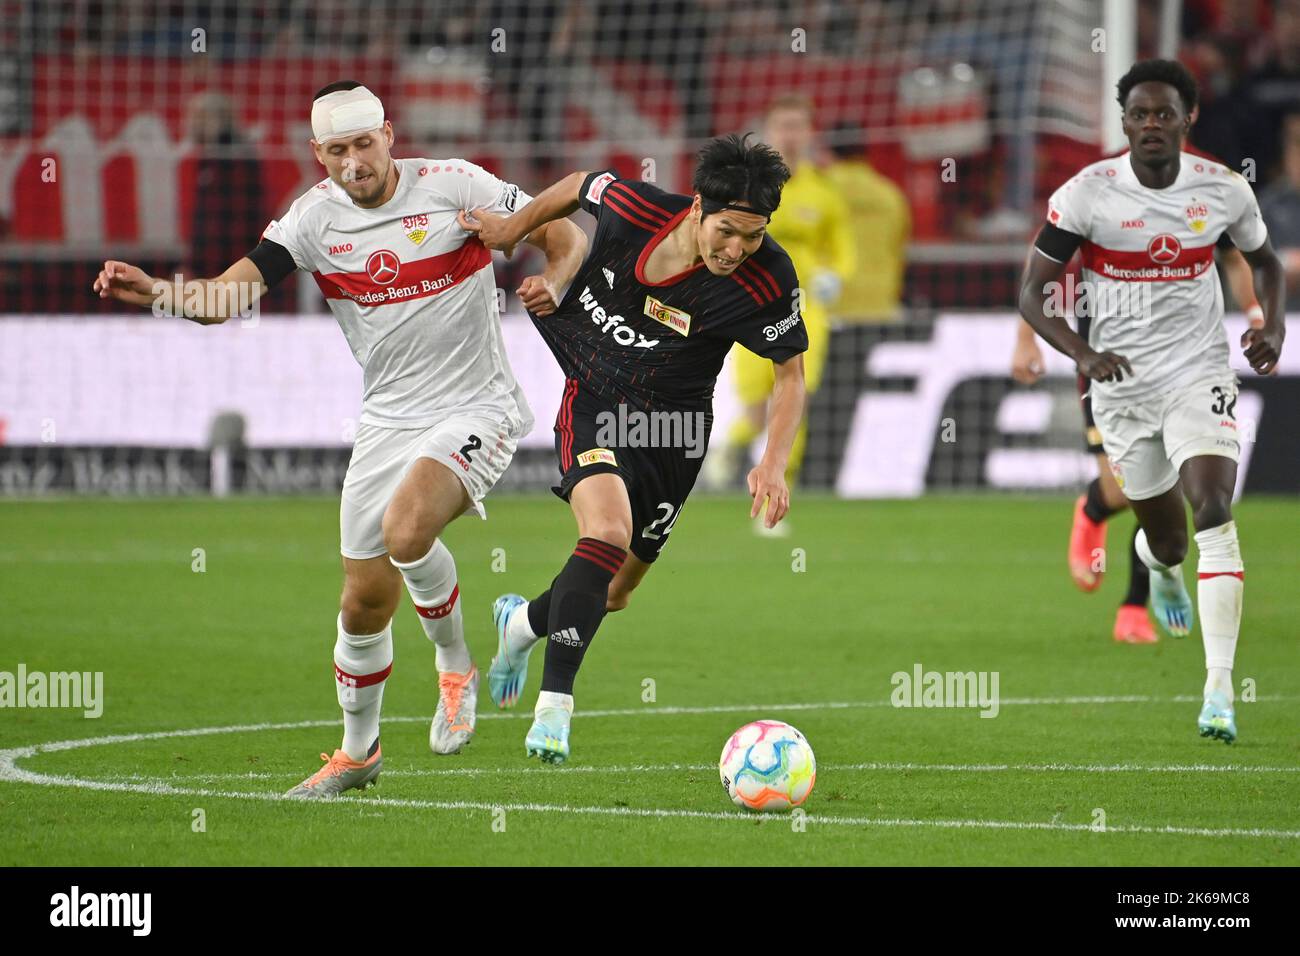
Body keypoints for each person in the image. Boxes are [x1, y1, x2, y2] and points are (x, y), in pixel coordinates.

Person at [93, 82, 587, 795]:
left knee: (407, 527)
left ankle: (455, 665)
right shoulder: (310, 221)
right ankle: (359, 754)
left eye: (364, 143)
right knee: (362, 601)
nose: (353, 161)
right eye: (337, 150)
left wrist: (556, 275)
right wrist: (159, 292)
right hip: (385, 418)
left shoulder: (453, 185)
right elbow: (227, 297)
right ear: (316, 153)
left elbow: (561, 231)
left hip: (476, 405)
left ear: (389, 135)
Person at [459, 133, 808, 762]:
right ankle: (554, 710)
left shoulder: (768, 279)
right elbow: (576, 185)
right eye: (727, 230)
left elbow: (790, 374)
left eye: (752, 237)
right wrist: (513, 229)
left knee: (615, 590)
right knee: (607, 532)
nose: (737, 250)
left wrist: (772, 463)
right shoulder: (639, 208)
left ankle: (521, 624)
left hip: (673, 431)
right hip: (594, 397)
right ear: (699, 206)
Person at [1017, 59, 1284, 744]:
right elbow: (1033, 291)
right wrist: (1080, 356)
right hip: (1120, 388)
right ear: (1125, 121)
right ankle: (1161, 570)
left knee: (1214, 509)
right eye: (1140, 114)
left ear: (1187, 117)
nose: (1152, 125)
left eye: (1165, 112)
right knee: (1165, 540)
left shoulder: (1222, 189)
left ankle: (1218, 690)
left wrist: (1271, 324)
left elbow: (1268, 261)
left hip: (1199, 372)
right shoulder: (1088, 193)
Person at [702, 96, 853, 518]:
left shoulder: (826, 192)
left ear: (810, 133)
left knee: (793, 390)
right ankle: (732, 447)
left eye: (797, 125)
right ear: (768, 131)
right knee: (756, 401)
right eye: (782, 125)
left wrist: (834, 275)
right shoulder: (745, 187)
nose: (790, 134)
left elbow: (844, 250)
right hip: (749, 302)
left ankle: (784, 483)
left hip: (805, 304)